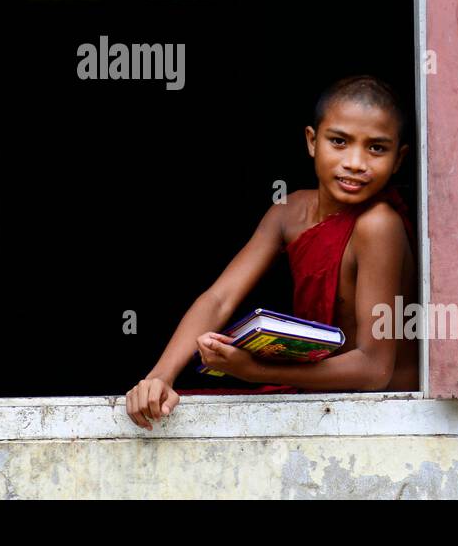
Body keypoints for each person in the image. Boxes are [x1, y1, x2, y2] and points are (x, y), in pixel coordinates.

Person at [124, 75, 419, 431]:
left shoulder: (378, 225)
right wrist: (160, 376)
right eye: (339, 142)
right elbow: (219, 299)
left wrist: (255, 371)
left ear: (399, 158)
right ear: (312, 141)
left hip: (386, 411)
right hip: (318, 397)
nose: (355, 162)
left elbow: (375, 369)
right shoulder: (287, 212)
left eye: (376, 148)